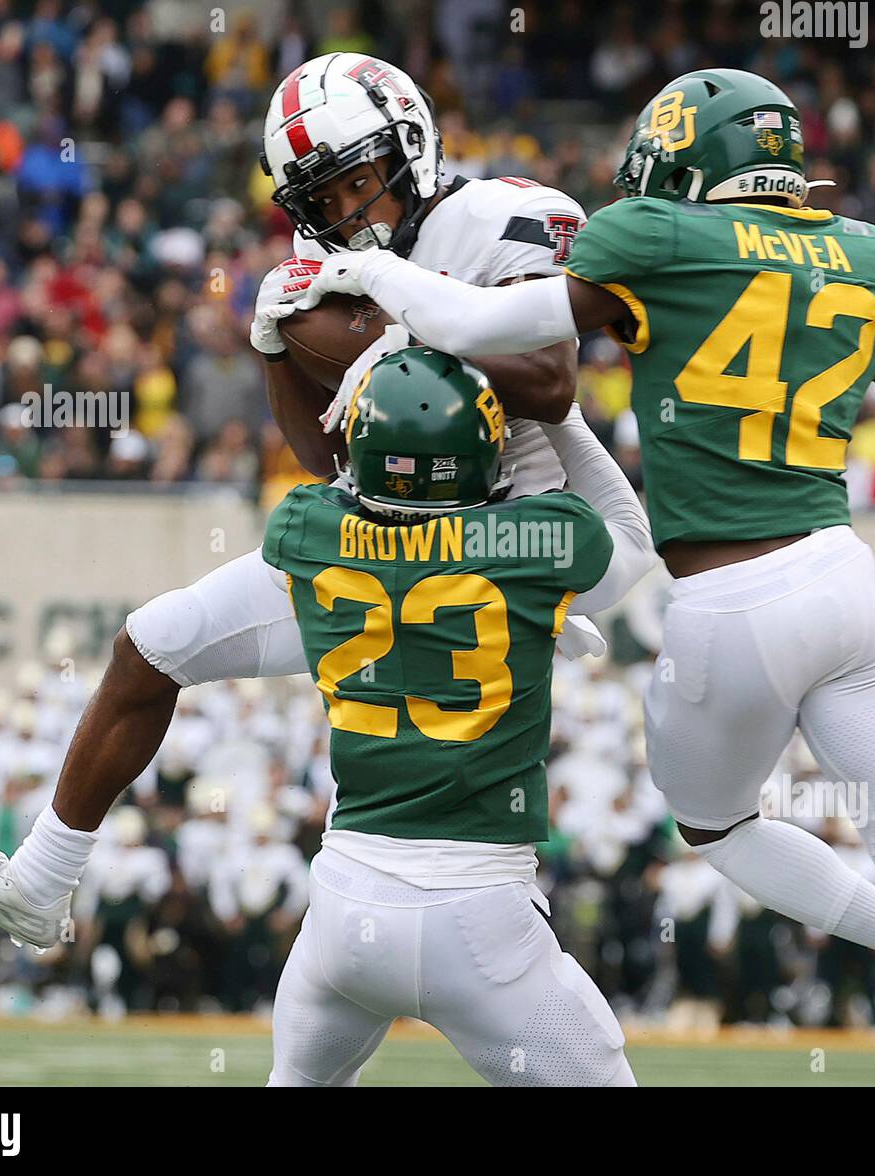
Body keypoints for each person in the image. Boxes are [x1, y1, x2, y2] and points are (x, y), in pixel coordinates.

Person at [297, 68, 875, 1087]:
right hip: (841, 580)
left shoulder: (659, 243)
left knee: (720, 827)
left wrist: (365, 279)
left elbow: (476, 332)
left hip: (725, 601)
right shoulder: (861, 255)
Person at [0, 55, 643, 953]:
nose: (345, 216)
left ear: (411, 145)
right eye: (320, 202)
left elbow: (552, 383)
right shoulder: (325, 260)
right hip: (385, 536)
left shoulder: (504, 217)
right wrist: (275, 349)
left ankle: (495, 916)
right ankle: (41, 882)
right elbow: (327, 461)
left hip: (506, 539)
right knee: (150, 644)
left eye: (358, 182)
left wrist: (394, 316)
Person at [260, 347, 649, 1085]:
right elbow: (631, 536)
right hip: (477, 915)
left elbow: (345, 476)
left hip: (344, 904)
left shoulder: (303, 525)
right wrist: (553, 409)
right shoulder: (538, 539)